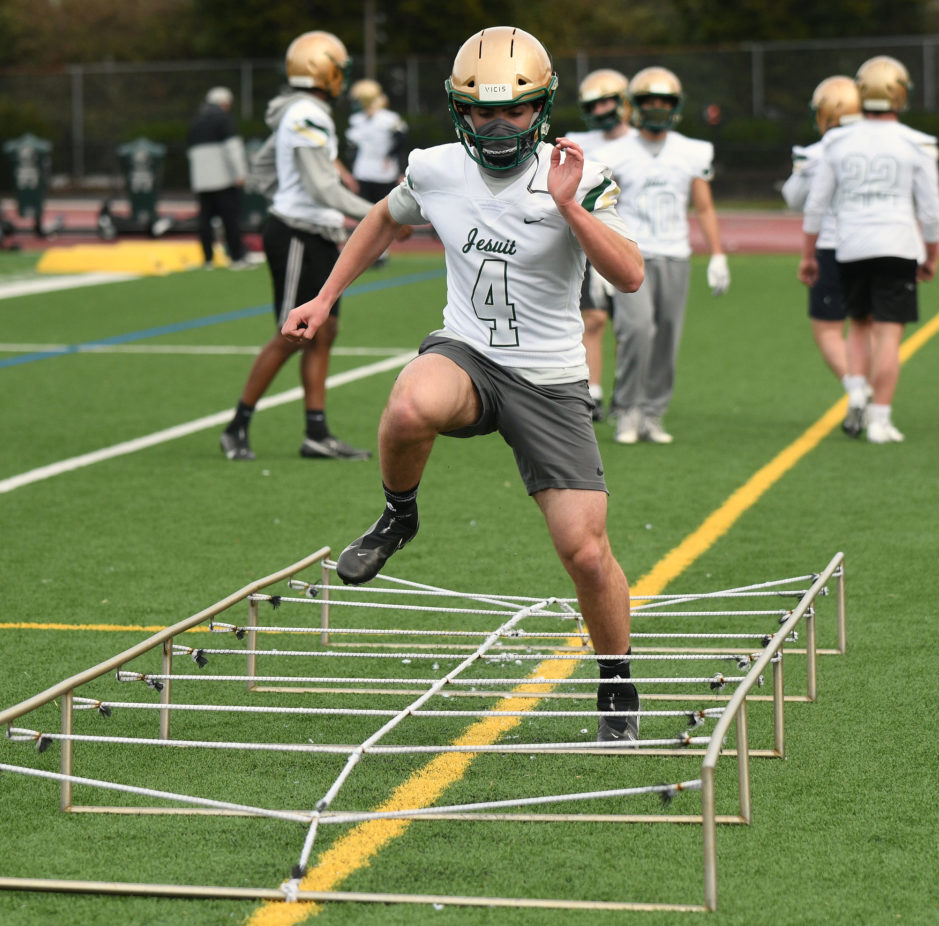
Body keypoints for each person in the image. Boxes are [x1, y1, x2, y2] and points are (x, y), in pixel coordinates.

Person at [282, 26, 646, 744]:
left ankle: (615, 678)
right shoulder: (436, 167)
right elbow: (383, 219)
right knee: (408, 403)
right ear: (461, 110)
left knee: (585, 552)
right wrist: (324, 297)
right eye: (484, 111)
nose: (498, 124)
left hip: (549, 379)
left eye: (515, 110)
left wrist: (571, 207)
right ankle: (398, 515)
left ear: (541, 108)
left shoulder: (580, 172)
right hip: (468, 353)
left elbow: (630, 274)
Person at [219, 31, 377, 462]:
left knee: (325, 331)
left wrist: (286, 191)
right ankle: (236, 427)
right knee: (292, 334)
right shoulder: (306, 112)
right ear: (324, 71)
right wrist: (379, 214)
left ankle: (316, 433)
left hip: (316, 232)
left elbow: (262, 167)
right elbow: (321, 187)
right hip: (297, 234)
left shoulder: (302, 111)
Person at [799, 55, 939, 444]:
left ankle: (858, 391)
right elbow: (931, 210)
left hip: (851, 245)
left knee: (859, 328)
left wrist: (808, 255)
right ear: (901, 94)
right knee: (888, 335)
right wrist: (931, 255)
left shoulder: (838, 142)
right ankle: (880, 419)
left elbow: (815, 205)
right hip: (898, 244)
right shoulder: (917, 143)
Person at [597, 67, 730, 445]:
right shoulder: (614, 154)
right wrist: (598, 263)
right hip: (632, 254)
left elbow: (704, 206)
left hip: (675, 254)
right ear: (634, 106)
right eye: (649, 100)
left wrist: (717, 254)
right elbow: (599, 208)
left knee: (667, 336)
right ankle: (627, 409)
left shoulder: (692, 151)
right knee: (637, 330)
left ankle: (652, 413)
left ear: (676, 106)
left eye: (664, 101)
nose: (657, 107)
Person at [781, 76, 868, 416]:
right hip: (871, 246)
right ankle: (871, 393)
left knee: (829, 329)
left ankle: (855, 388)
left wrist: (802, 171)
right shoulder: (878, 145)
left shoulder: (818, 152)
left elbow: (794, 199)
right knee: (869, 327)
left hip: (830, 246)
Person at [564, 69, 634, 421]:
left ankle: (627, 390)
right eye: (593, 104)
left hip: (632, 243)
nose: (600, 110)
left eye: (606, 101)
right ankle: (592, 392)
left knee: (630, 326)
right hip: (592, 241)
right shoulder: (579, 142)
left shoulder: (643, 144)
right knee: (592, 318)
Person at [187, 87, 257, 269]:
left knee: (205, 220)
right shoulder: (224, 119)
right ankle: (237, 257)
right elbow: (233, 149)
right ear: (225, 103)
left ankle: (207, 259)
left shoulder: (197, 121)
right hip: (223, 180)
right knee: (230, 219)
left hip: (202, 181)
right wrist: (240, 174)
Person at [346, 78, 409, 204]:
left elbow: (401, 140)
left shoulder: (388, 118)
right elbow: (353, 146)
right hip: (363, 171)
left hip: (384, 172)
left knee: (385, 206)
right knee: (365, 207)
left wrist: (393, 160)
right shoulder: (357, 119)